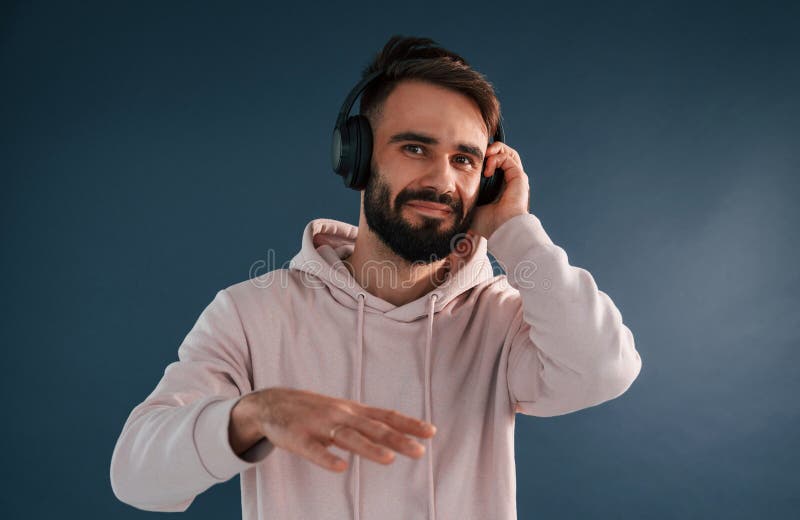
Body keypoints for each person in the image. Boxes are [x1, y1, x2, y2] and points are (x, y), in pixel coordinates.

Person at [110, 35, 642, 520]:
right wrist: (254, 414)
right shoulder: (252, 313)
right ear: (357, 158)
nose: (441, 180)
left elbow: (603, 370)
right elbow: (136, 477)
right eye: (415, 148)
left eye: (464, 160)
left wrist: (515, 232)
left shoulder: (503, 319)